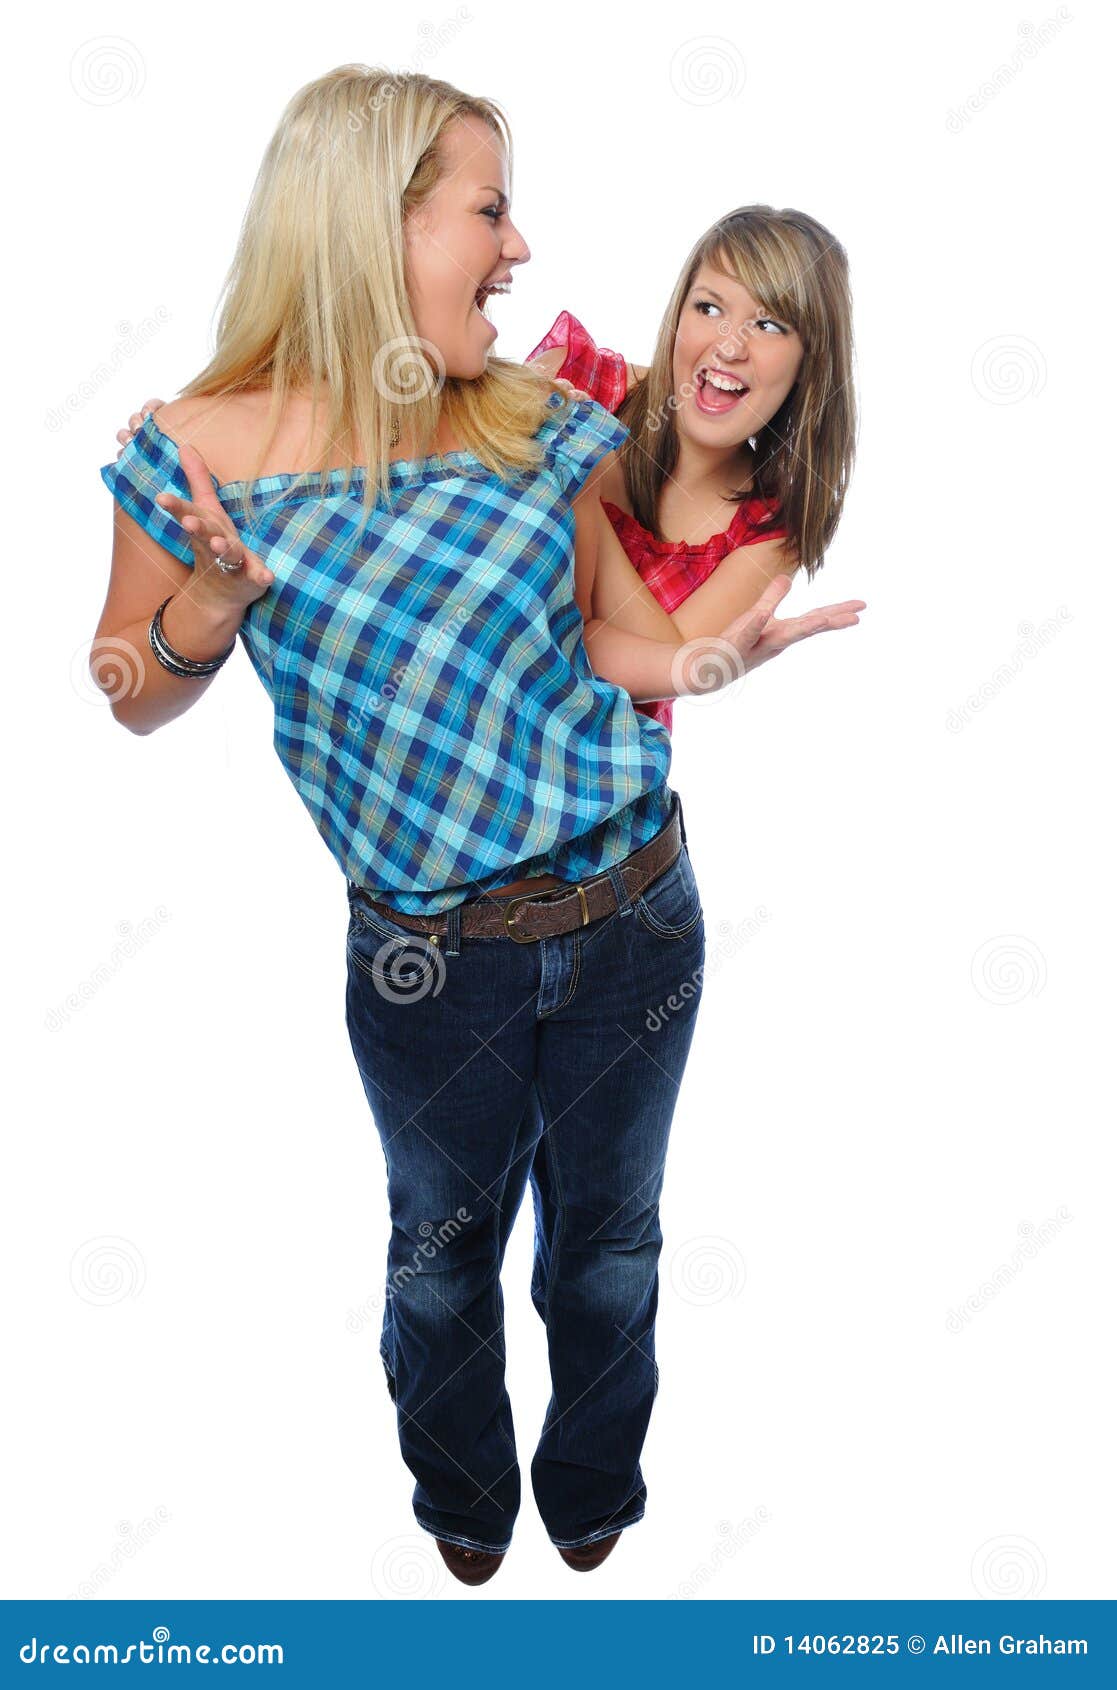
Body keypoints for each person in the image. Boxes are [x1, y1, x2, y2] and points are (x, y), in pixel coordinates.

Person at [95, 64, 864, 1585]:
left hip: (634, 910)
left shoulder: (542, 422)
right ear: (372, 224)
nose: (518, 250)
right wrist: (210, 600)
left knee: (611, 1246)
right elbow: (125, 683)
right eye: (489, 209)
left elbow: (623, 643)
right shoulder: (191, 452)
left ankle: (592, 1485)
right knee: (442, 1265)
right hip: (428, 965)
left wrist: (716, 655)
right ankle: (463, 1498)